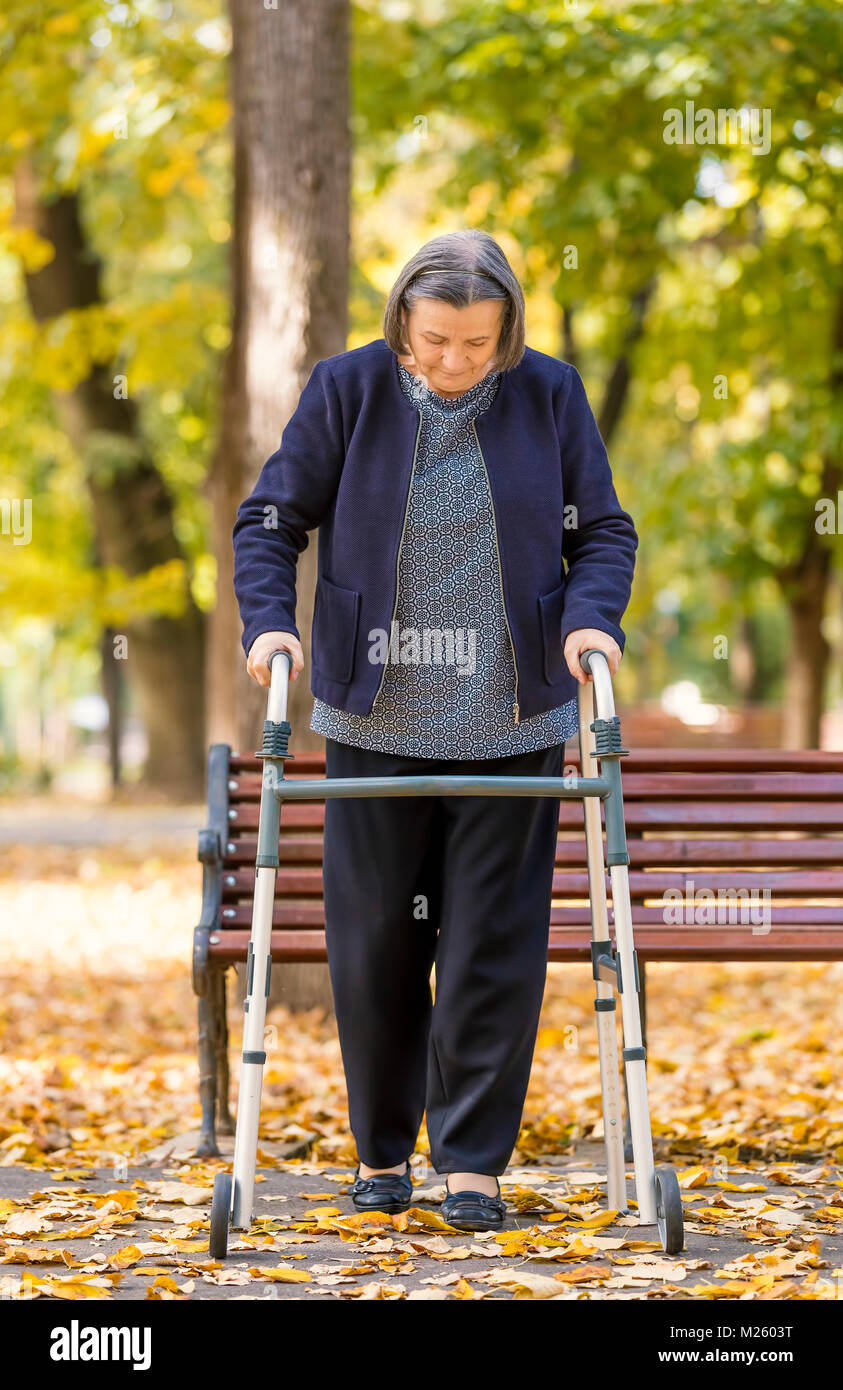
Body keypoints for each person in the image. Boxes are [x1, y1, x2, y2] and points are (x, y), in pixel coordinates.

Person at [233, 229, 638, 1231]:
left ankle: (470, 1164)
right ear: (401, 327)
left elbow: (605, 529)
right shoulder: (349, 390)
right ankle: (380, 1150)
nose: (455, 363)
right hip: (377, 709)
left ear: (508, 333)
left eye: (477, 344)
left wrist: (590, 618)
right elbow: (272, 520)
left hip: (512, 714)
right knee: (374, 941)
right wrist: (271, 623)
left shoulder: (549, 395)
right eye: (435, 340)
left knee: (493, 944)